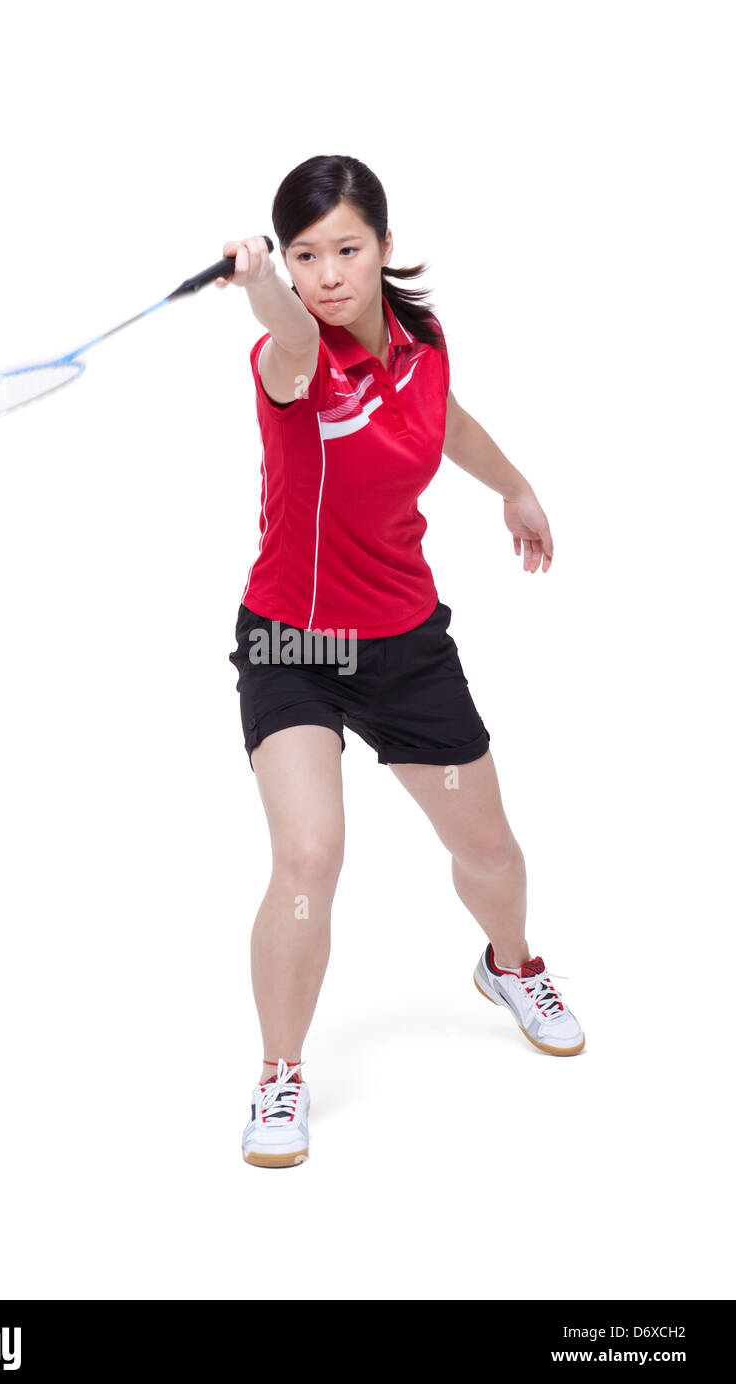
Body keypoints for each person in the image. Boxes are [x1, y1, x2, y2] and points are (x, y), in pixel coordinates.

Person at [218, 155, 585, 1170]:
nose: (328, 273)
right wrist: (259, 283)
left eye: (346, 248)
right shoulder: (292, 361)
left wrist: (513, 487)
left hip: (403, 644)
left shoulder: (421, 346)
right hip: (293, 643)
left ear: (383, 243)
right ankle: (280, 1073)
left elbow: (446, 418)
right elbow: (288, 334)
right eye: (304, 256)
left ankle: (509, 964)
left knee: (490, 849)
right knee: (308, 858)